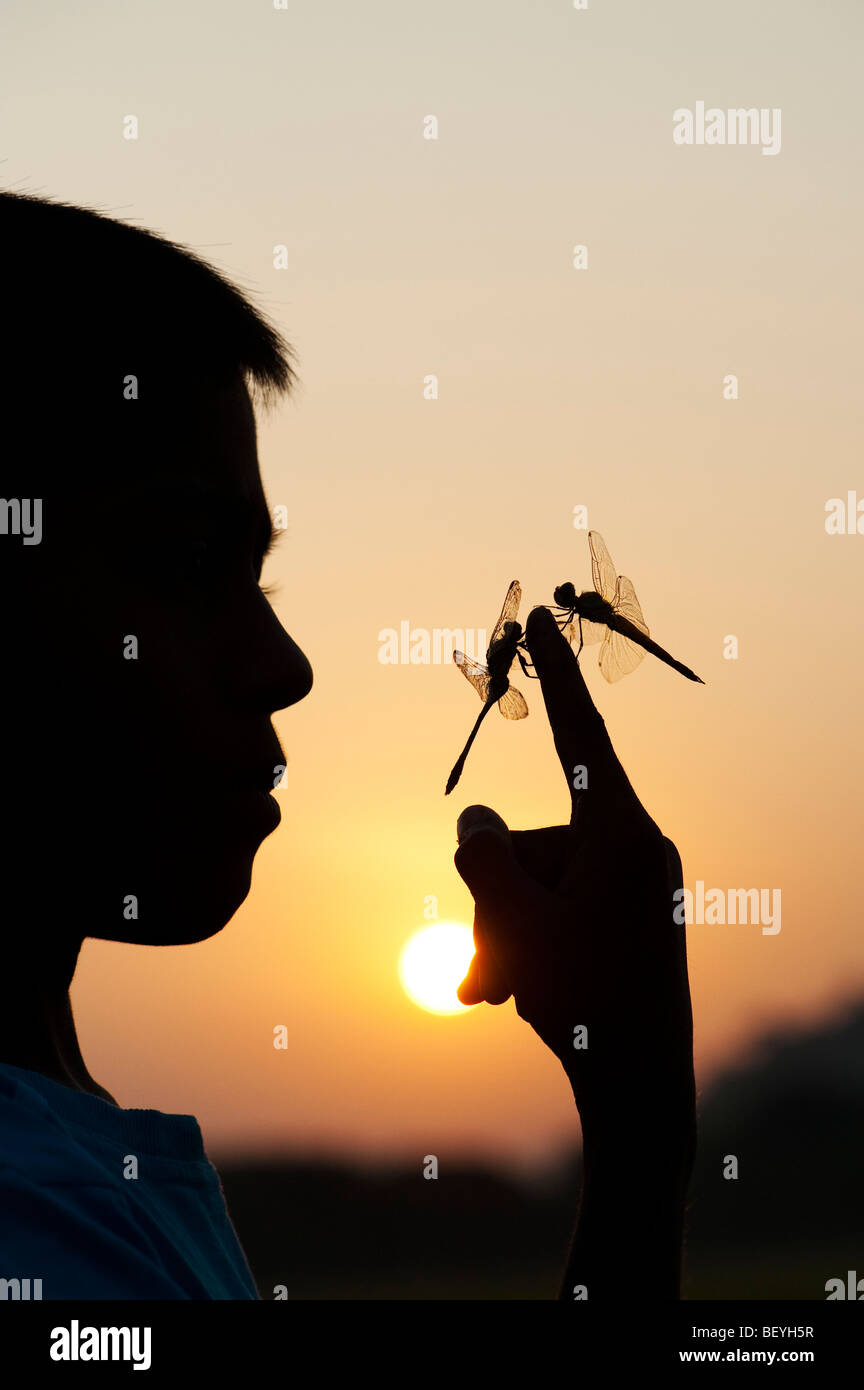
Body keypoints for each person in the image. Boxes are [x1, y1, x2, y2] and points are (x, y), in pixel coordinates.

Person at [0, 189, 695, 1300]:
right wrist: (645, 1120)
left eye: (259, 575)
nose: (287, 666)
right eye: (187, 564)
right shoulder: (40, 1233)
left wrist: (635, 1107)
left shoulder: (78, 1173)